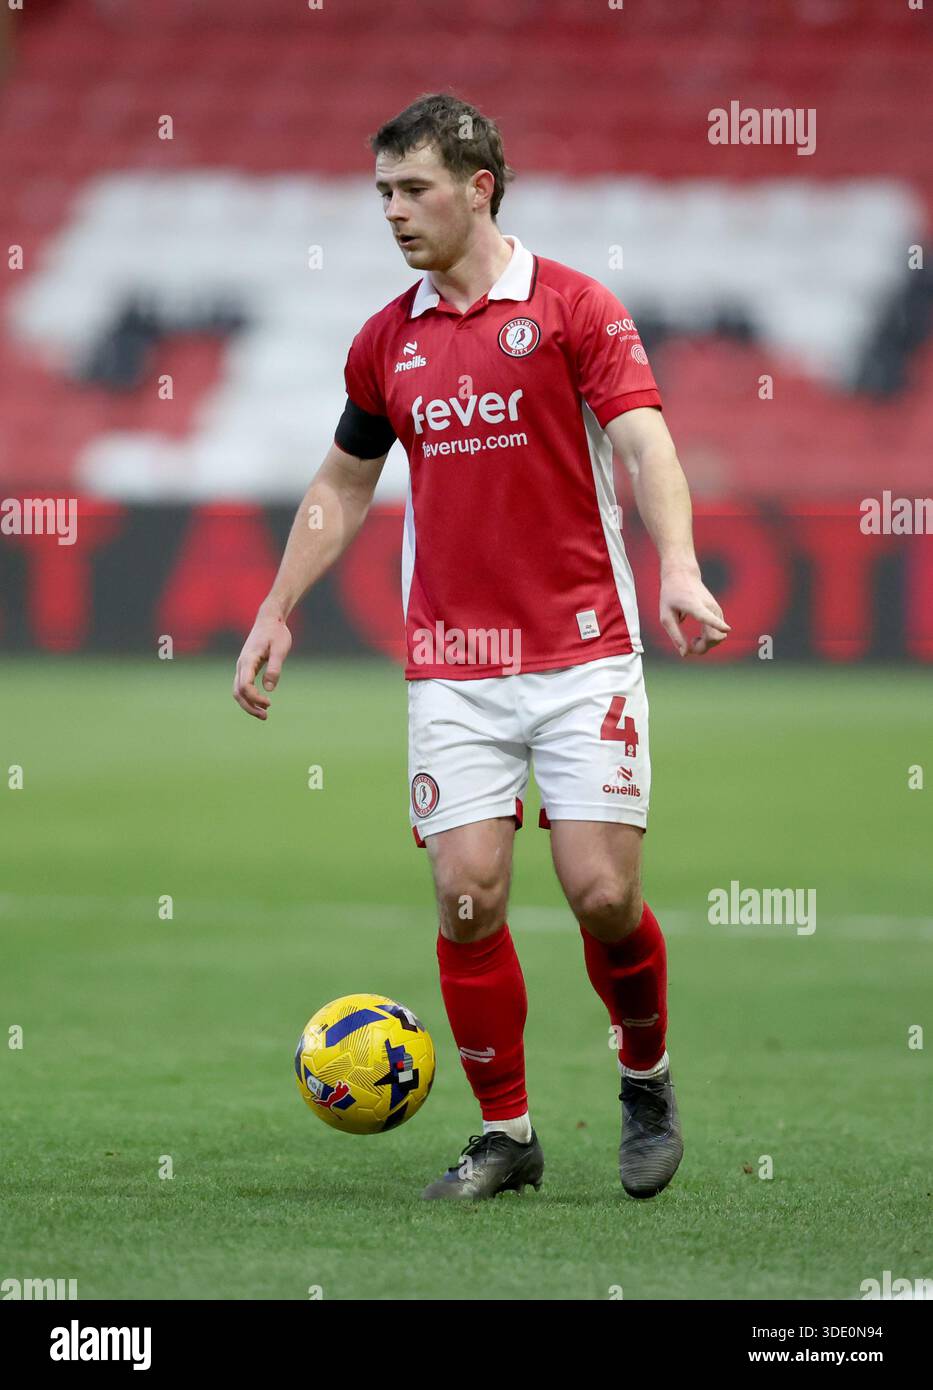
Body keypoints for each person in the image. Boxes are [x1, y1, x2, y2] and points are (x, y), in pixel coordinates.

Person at [233, 93, 729, 1202]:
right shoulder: (386, 340)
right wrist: (278, 605)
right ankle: (508, 1136)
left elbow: (647, 443)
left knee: (601, 891)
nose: (394, 214)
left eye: (413, 190)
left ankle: (644, 1077)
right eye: (382, 195)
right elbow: (343, 481)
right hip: (455, 662)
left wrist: (680, 566)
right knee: (466, 893)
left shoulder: (571, 307)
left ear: (479, 189)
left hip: (583, 649)